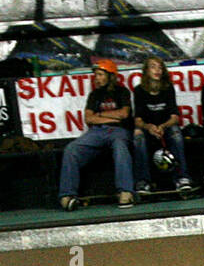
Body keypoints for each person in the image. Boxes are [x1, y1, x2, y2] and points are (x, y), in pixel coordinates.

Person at [58, 59, 135, 210]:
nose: (97, 78)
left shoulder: (122, 91)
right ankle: (67, 195)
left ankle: (125, 192)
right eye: (96, 75)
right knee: (71, 149)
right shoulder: (94, 94)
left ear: (110, 75)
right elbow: (89, 118)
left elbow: (124, 114)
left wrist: (99, 115)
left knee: (120, 146)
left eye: (100, 74)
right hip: (97, 131)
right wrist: (111, 116)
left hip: (118, 130)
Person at [131, 55, 192, 193]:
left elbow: (175, 117)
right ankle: (143, 181)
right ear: (146, 71)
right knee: (138, 136)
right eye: (153, 67)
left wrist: (163, 126)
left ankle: (182, 178)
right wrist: (149, 127)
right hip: (148, 127)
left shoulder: (168, 88)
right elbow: (138, 120)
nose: (157, 70)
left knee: (176, 133)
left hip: (166, 126)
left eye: (160, 67)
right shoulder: (139, 90)